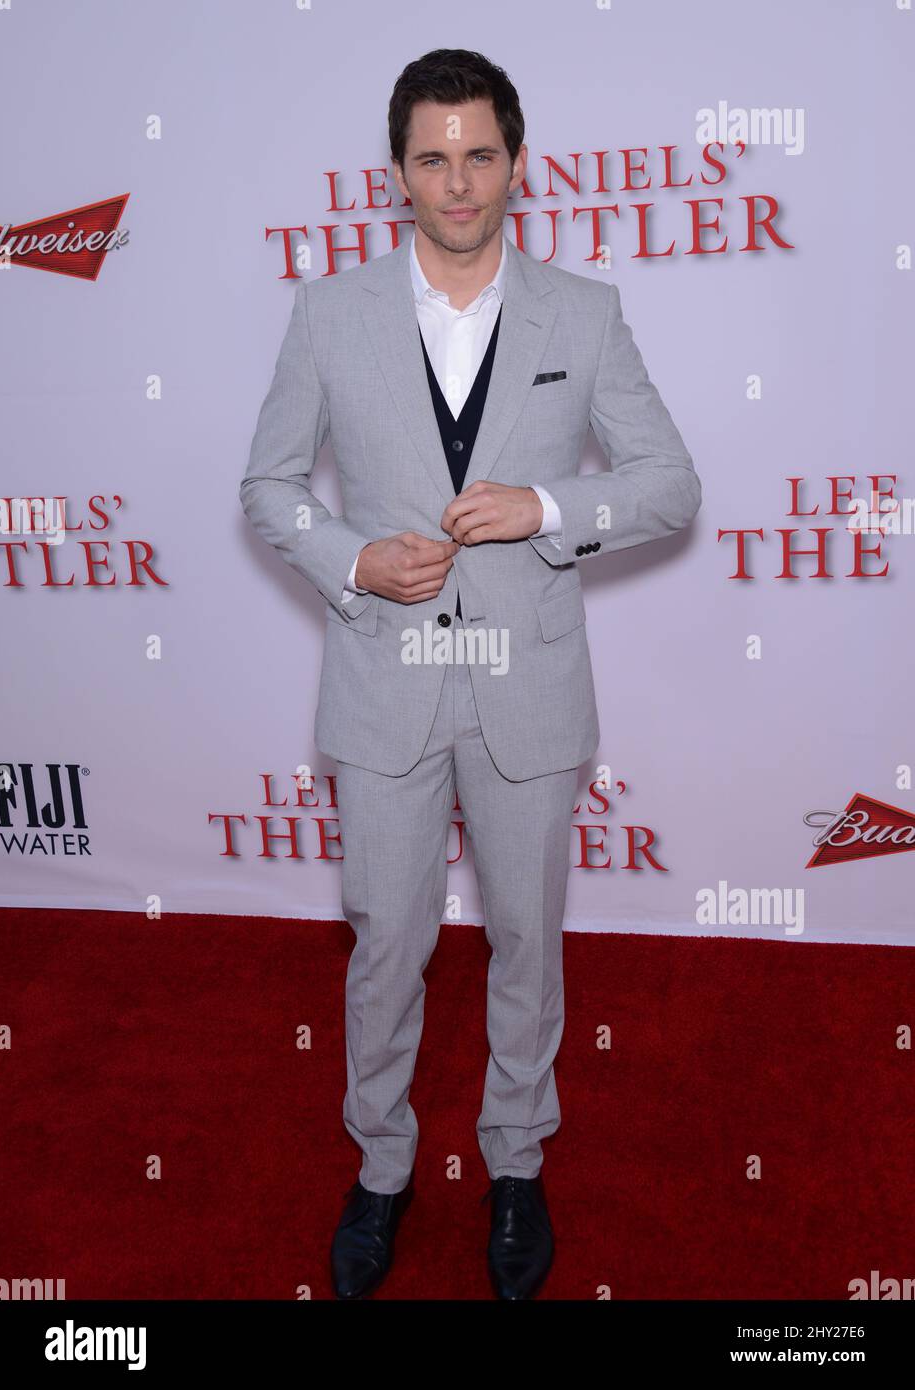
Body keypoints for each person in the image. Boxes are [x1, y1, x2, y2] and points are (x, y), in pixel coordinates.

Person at [240, 47, 701, 1300]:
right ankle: (380, 1166)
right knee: (386, 940)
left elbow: (669, 485)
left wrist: (545, 502)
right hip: (383, 676)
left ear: (515, 161)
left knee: (522, 941)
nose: (458, 182)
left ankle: (513, 1164)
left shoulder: (584, 310)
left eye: (479, 155)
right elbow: (268, 489)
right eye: (433, 159)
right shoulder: (326, 313)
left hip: (528, 687)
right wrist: (349, 561)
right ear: (397, 172)